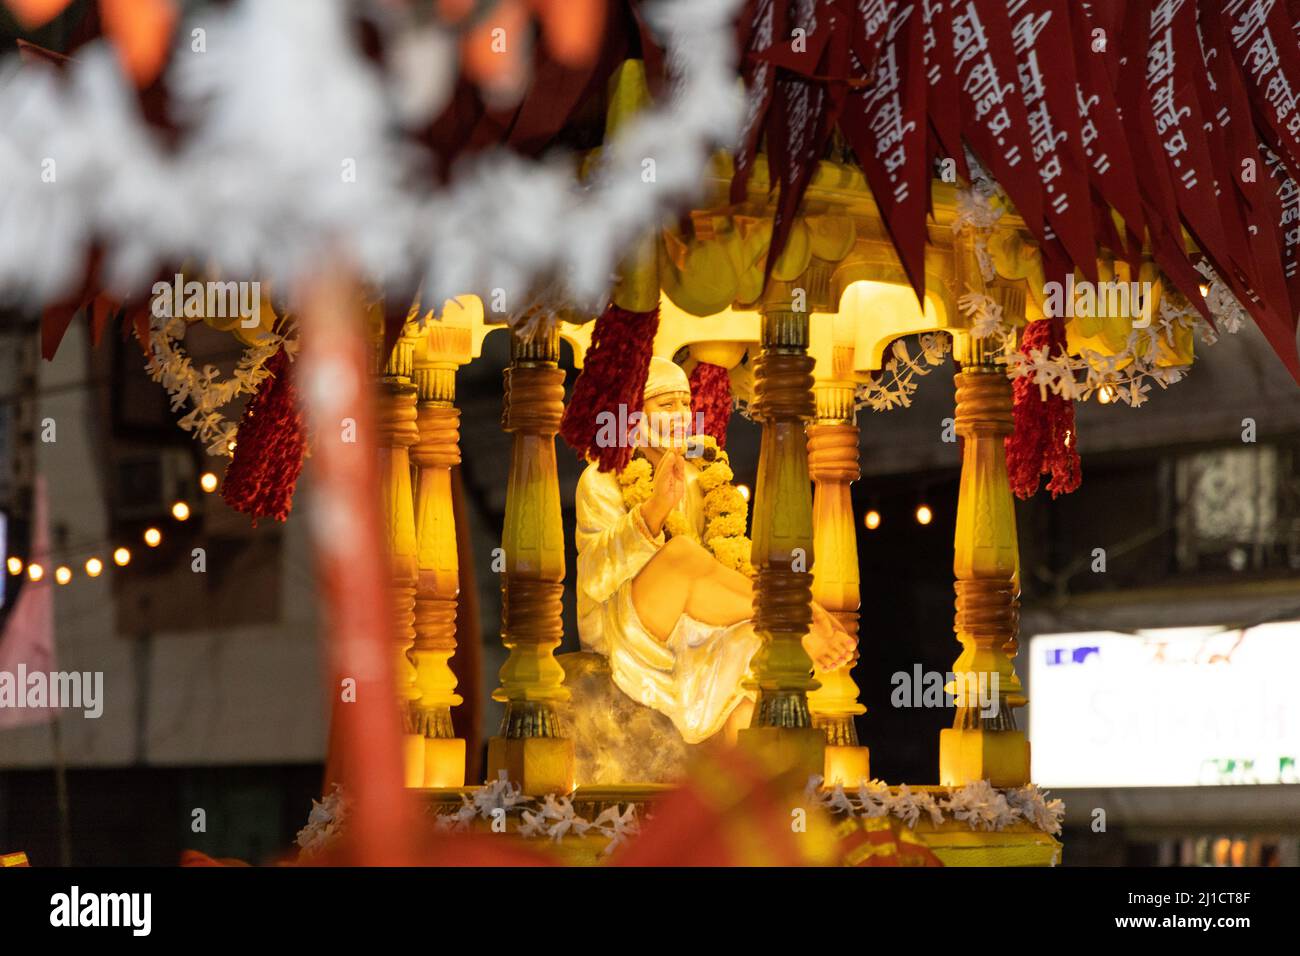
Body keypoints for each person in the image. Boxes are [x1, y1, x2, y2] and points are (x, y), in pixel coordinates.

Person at [574, 357, 858, 746]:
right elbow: (594, 576)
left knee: (754, 647)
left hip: (694, 619)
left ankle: (747, 787)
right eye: (666, 404)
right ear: (634, 415)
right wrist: (655, 509)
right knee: (682, 554)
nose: (680, 415)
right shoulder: (603, 478)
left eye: (684, 404)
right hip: (624, 627)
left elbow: (723, 566)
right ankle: (794, 615)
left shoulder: (698, 475)